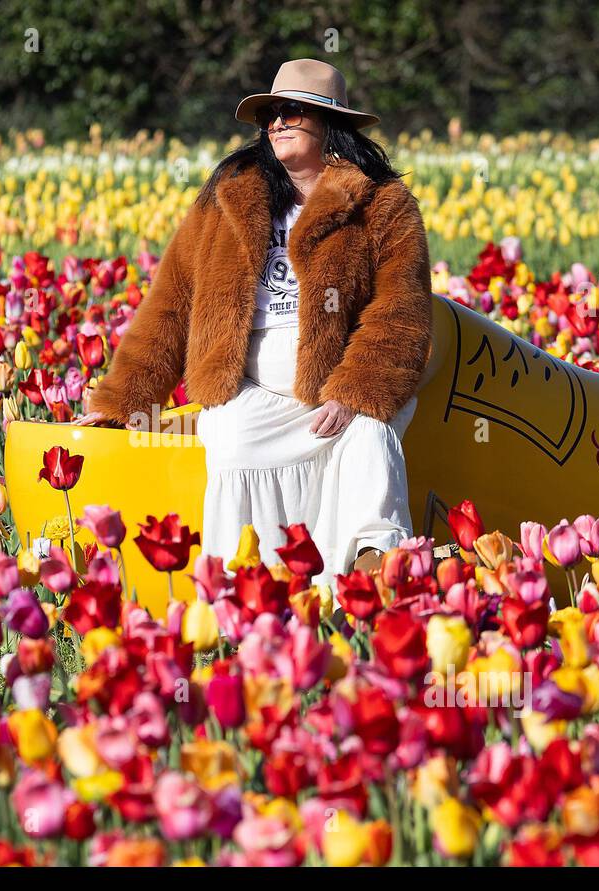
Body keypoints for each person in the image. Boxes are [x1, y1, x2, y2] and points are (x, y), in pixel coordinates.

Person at [74, 58, 432, 583]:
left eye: (293, 111)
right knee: (233, 441)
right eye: (271, 113)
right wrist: (122, 402)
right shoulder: (228, 199)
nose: (277, 122)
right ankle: (252, 592)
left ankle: (370, 574)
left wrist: (355, 390)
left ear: (331, 124)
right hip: (249, 388)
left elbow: (400, 310)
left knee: (368, 435)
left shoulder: (382, 203)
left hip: (337, 388)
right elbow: (171, 302)